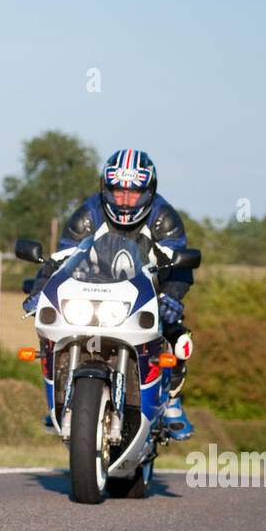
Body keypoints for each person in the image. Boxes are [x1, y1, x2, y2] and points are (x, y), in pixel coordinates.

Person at [25, 149, 196, 439]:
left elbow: (180, 265)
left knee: (178, 339)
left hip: (147, 292)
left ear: (148, 191)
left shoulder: (164, 218)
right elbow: (61, 258)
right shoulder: (89, 213)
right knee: (54, 329)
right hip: (94, 289)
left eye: (133, 192)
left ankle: (172, 403)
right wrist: (40, 291)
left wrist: (171, 297)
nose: (125, 200)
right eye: (118, 191)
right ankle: (63, 398)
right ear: (106, 188)